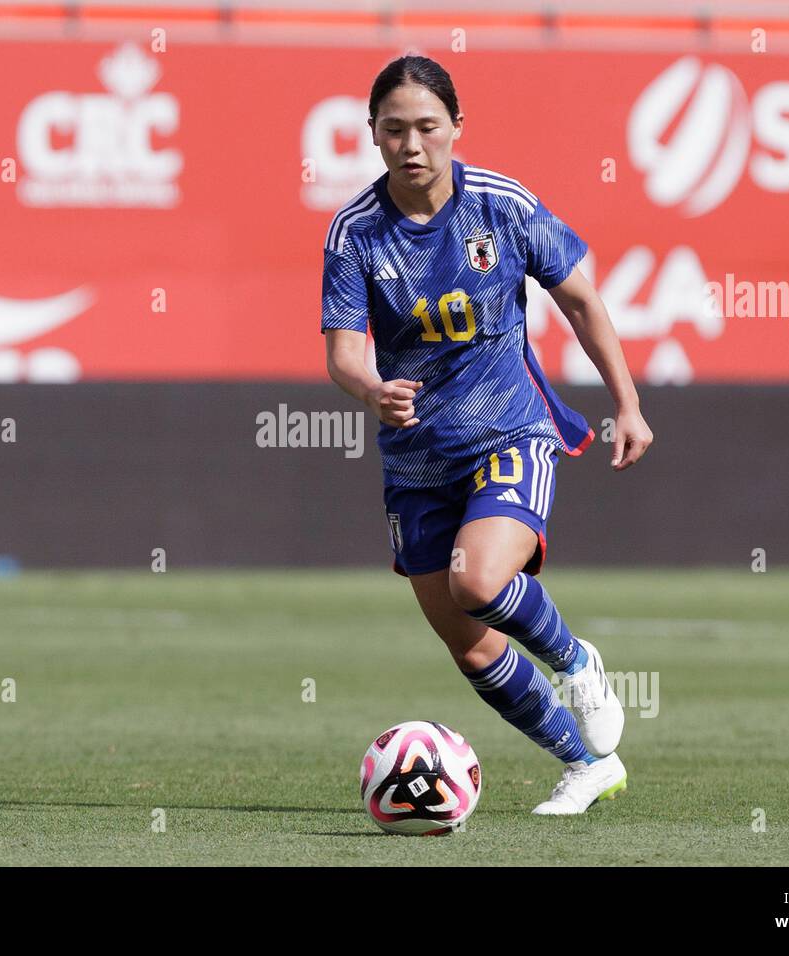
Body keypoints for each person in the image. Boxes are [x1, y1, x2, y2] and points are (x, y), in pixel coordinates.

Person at [321, 55, 653, 815]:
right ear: (372, 134)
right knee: (467, 641)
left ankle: (577, 660)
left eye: (427, 127)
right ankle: (586, 764)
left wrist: (627, 406)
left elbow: (581, 300)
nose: (411, 144)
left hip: (509, 432)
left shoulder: (501, 206)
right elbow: (342, 351)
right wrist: (372, 387)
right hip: (416, 461)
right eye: (394, 128)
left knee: (479, 581)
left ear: (455, 129)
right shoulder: (355, 232)